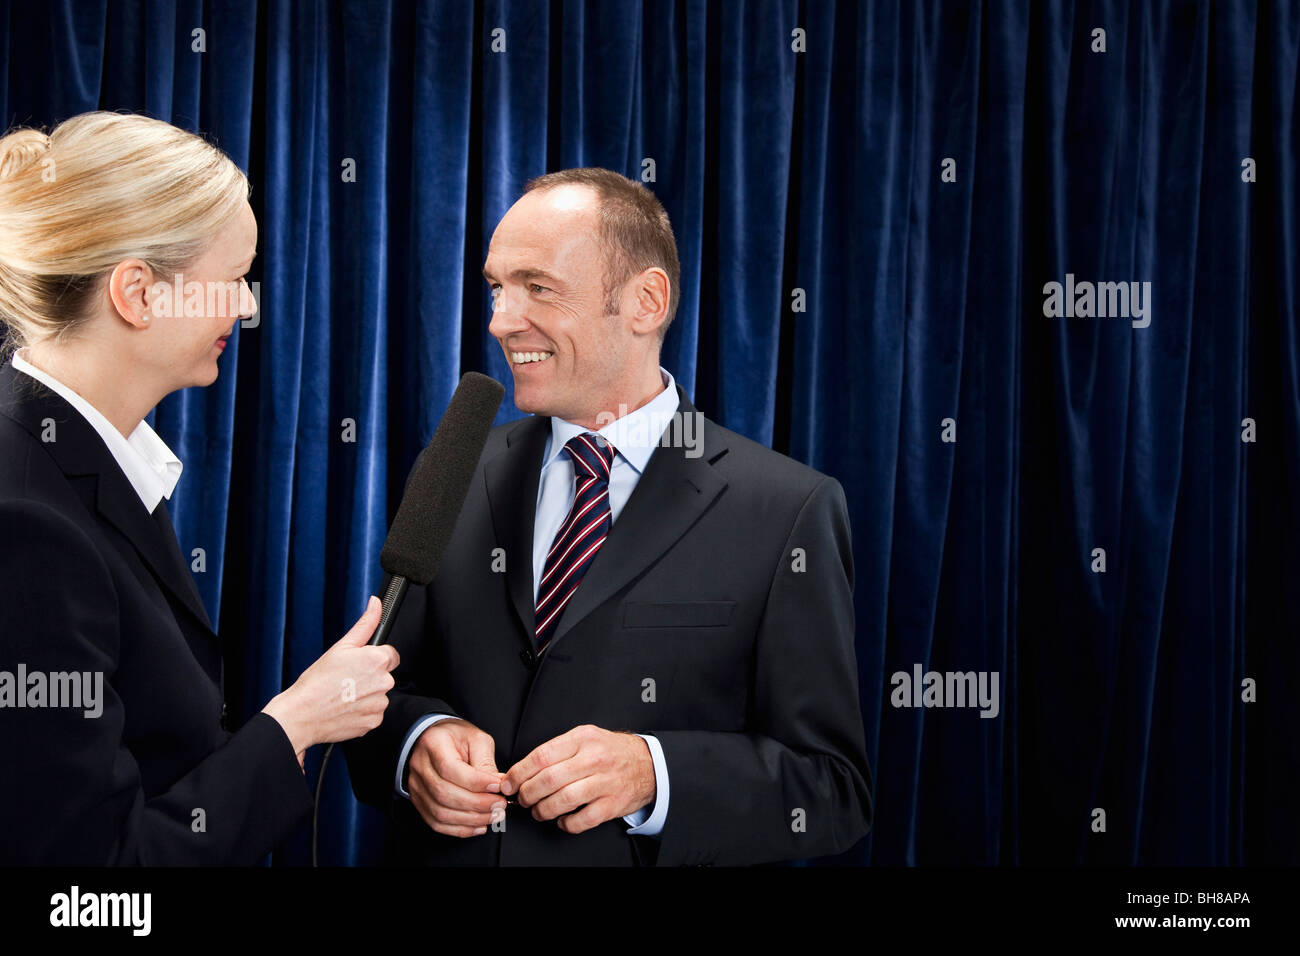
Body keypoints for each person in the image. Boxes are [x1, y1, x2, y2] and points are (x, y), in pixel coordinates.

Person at [345, 168, 872, 865]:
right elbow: (383, 693)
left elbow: (831, 791)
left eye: (537, 287)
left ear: (645, 301)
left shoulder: (788, 510)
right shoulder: (454, 472)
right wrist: (416, 743)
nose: (501, 321)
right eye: (497, 288)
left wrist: (653, 774)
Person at [0, 112, 399, 865]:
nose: (248, 308)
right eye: (233, 281)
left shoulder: (74, 461)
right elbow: (88, 892)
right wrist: (295, 725)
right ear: (139, 294)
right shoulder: (26, 519)